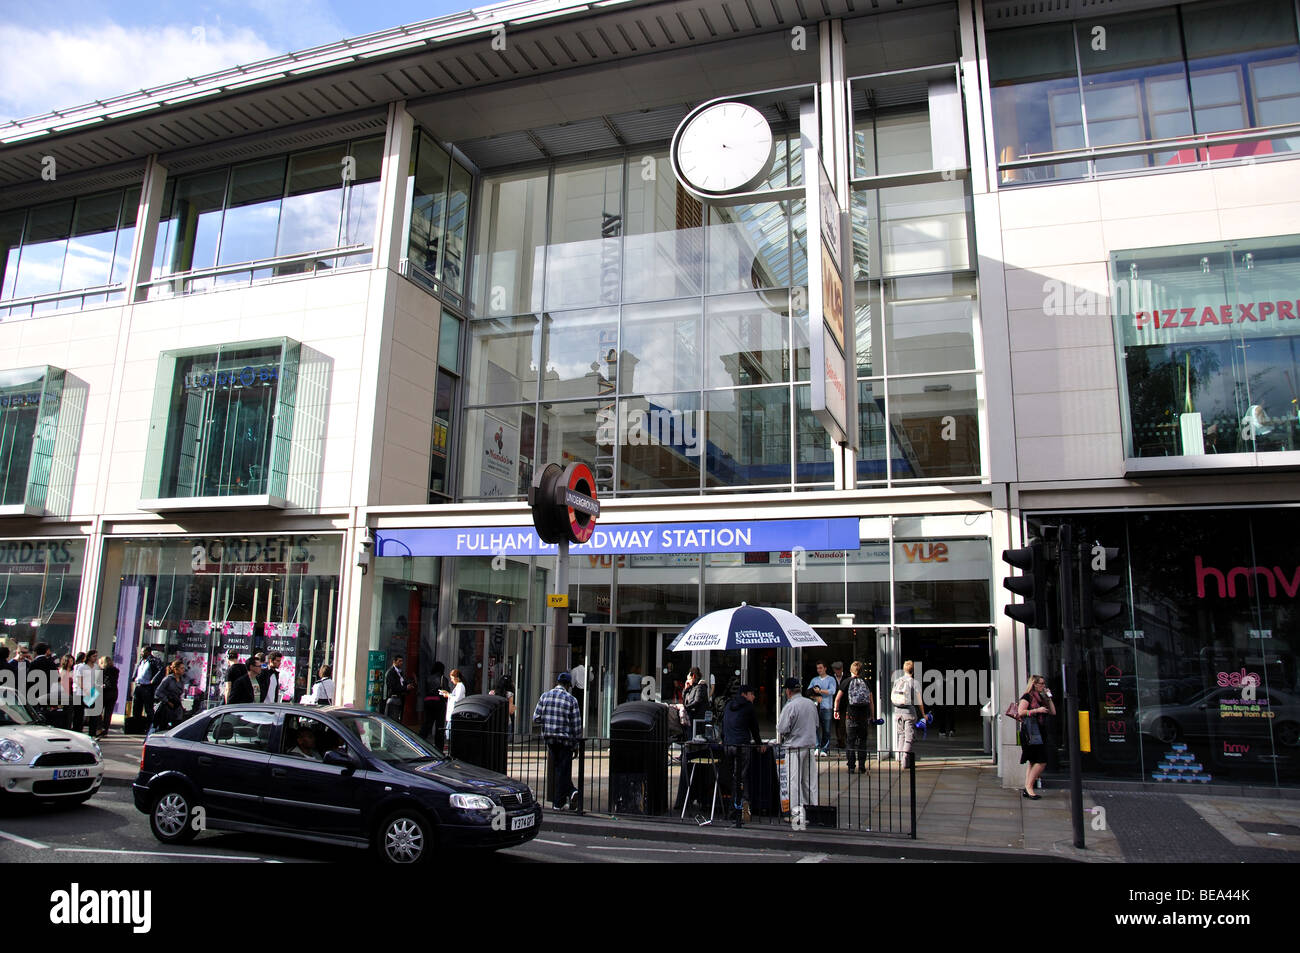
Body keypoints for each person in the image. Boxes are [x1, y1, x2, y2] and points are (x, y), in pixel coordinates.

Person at [533, 672, 582, 811]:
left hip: (550, 739)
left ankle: (570, 793)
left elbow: (536, 718)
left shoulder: (545, 696)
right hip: (565, 740)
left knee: (560, 770)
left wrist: (547, 722)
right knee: (563, 770)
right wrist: (576, 744)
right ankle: (560, 802)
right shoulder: (571, 700)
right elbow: (576, 725)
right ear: (567, 685)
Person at [721, 684, 765, 827]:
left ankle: (736, 808)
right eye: (752, 694)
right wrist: (759, 744)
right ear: (745, 694)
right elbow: (754, 728)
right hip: (741, 745)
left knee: (734, 777)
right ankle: (736, 810)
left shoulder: (728, 705)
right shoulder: (748, 707)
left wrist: (724, 740)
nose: (754, 697)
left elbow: (724, 724)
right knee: (739, 777)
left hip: (728, 745)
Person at [776, 677, 818, 820]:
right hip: (810, 746)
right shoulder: (810, 704)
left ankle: (796, 812)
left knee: (793, 781)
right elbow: (817, 724)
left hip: (794, 747)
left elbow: (781, 728)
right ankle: (812, 809)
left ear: (788, 691)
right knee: (809, 781)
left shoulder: (790, 706)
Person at [1018, 674, 1056, 799]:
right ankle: (1029, 787)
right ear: (1034, 684)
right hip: (1030, 732)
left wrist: (1049, 697)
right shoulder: (1027, 696)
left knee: (1033, 761)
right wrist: (1036, 711)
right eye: (1041, 683)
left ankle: (1027, 787)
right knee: (1041, 761)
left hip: (1040, 731)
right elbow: (1020, 712)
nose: (1043, 686)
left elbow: (1053, 712)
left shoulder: (1042, 698)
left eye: (1044, 683)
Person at [834, 660, 875, 773]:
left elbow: (838, 699)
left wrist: (836, 710)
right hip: (863, 718)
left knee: (850, 742)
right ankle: (862, 765)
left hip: (850, 716)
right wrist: (872, 716)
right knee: (862, 742)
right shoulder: (866, 683)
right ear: (862, 671)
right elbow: (871, 702)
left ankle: (851, 766)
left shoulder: (846, 681)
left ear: (851, 670)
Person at [891, 660, 926, 768]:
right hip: (909, 713)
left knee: (901, 735)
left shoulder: (897, 681)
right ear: (913, 670)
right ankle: (905, 760)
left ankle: (901, 759)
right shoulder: (914, 682)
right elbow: (919, 701)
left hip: (898, 713)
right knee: (909, 738)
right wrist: (923, 714)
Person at [150, 660, 187, 735]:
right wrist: (167, 701)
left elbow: (180, 694)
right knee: (163, 728)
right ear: (175, 669)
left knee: (177, 728)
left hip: (176, 707)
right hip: (167, 707)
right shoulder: (168, 679)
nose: (183, 670)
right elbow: (158, 692)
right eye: (181, 668)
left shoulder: (181, 680)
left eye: (184, 668)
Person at [809, 661, 837, 755]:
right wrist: (815, 696)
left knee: (827, 729)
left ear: (825, 668)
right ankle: (817, 746)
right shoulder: (814, 680)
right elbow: (808, 692)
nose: (819, 670)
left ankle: (825, 748)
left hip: (827, 706)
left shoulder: (831, 679)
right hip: (816, 707)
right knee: (815, 727)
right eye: (817, 668)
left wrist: (820, 691)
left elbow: (832, 691)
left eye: (821, 668)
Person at [420, 661, 449, 746]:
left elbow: (423, 691)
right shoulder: (443, 678)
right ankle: (439, 747)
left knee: (427, 724)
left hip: (428, 702)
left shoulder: (428, 678)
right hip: (439, 703)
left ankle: (420, 742)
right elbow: (446, 691)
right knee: (439, 727)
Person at [92, 653, 120, 738]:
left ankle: (99, 728)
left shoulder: (101, 671)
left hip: (104, 692)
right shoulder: (116, 670)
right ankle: (106, 729)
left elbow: (97, 683)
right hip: (114, 692)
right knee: (109, 712)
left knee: (98, 711)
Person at [683, 666, 710, 737]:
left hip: (697, 718)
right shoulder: (691, 688)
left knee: (694, 736)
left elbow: (697, 701)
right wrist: (686, 688)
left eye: (689, 679)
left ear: (693, 676)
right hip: (691, 717)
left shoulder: (700, 687)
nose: (687, 681)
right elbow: (685, 700)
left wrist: (686, 707)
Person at [442, 668, 466, 740]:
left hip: (454, 713)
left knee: (449, 733)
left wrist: (448, 695)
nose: (451, 680)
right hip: (453, 712)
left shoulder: (460, 686)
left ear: (457, 678)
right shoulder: (459, 686)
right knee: (448, 732)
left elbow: (457, 698)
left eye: (452, 678)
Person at [384, 655, 410, 722]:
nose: (401, 663)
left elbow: (402, 683)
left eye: (402, 661)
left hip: (399, 698)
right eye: (399, 661)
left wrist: (407, 686)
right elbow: (393, 687)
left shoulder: (400, 672)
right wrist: (405, 687)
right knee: (393, 720)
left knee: (397, 719)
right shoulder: (391, 672)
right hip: (393, 698)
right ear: (394, 662)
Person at [831, 661, 847, 750]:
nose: (838, 671)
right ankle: (839, 740)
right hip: (834, 703)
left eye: (839, 669)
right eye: (836, 669)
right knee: (837, 723)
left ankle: (843, 741)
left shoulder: (847, 677)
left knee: (843, 723)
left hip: (844, 703)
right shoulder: (831, 678)